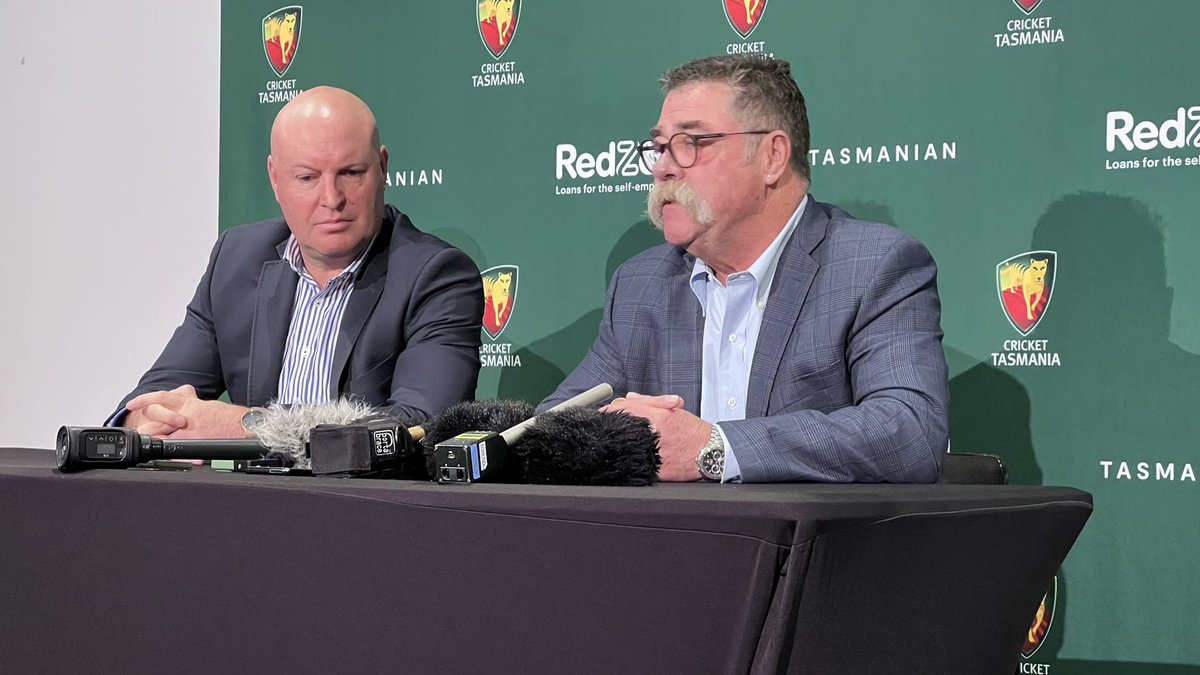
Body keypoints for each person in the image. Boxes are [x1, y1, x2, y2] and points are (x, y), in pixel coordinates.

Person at [540, 55, 948, 483]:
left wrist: (712, 448)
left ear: (772, 156)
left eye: (692, 142)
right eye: (660, 147)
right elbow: (553, 428)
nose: (663, 167)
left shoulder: (873, 266)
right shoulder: (641, 284)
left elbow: (910, 433)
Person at [112, 86, 483, 439]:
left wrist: (245, 426)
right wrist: (150, 420)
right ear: (275, 179)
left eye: (351, 173)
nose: (332, 198)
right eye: (307, 177)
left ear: (383, 168)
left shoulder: (436, 277)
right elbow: (148, 399)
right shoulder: (236, 260)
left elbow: (419, 425)